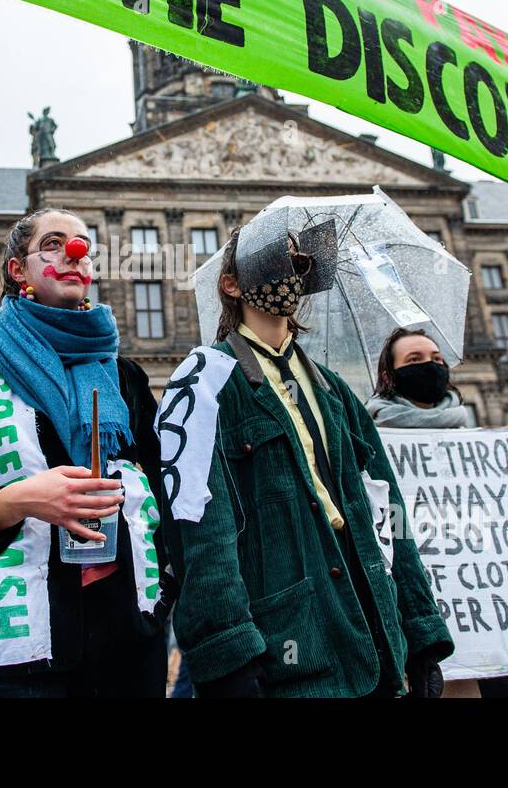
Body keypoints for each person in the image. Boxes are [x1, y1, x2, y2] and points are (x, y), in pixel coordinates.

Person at [162, 222, 454, 697]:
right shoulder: (203, 383)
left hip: (374, 635)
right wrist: (229, 651)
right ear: (231, 283)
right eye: (275, 260)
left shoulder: (334, 388)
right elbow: (200, 530)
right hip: (289, 651)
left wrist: (420, 632)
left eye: (299, 262)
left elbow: (391, 511)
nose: (291, 271)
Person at [0, 208, 174, 697]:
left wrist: (163, 603)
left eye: (83, 246)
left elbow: (166, 500)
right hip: (17, 657)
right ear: (18, 269)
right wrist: (20, 500)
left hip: (130, 652)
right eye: (53, 243)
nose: (75, 252)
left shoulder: (126, 378)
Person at [367, 326, 508, 698]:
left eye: (436, 359)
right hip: (420, 619)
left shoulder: (477, 442)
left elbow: (505, 524)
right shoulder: (368, 444)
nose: (429, 366)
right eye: (414, 361)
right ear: (388, 376)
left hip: (489, 609)